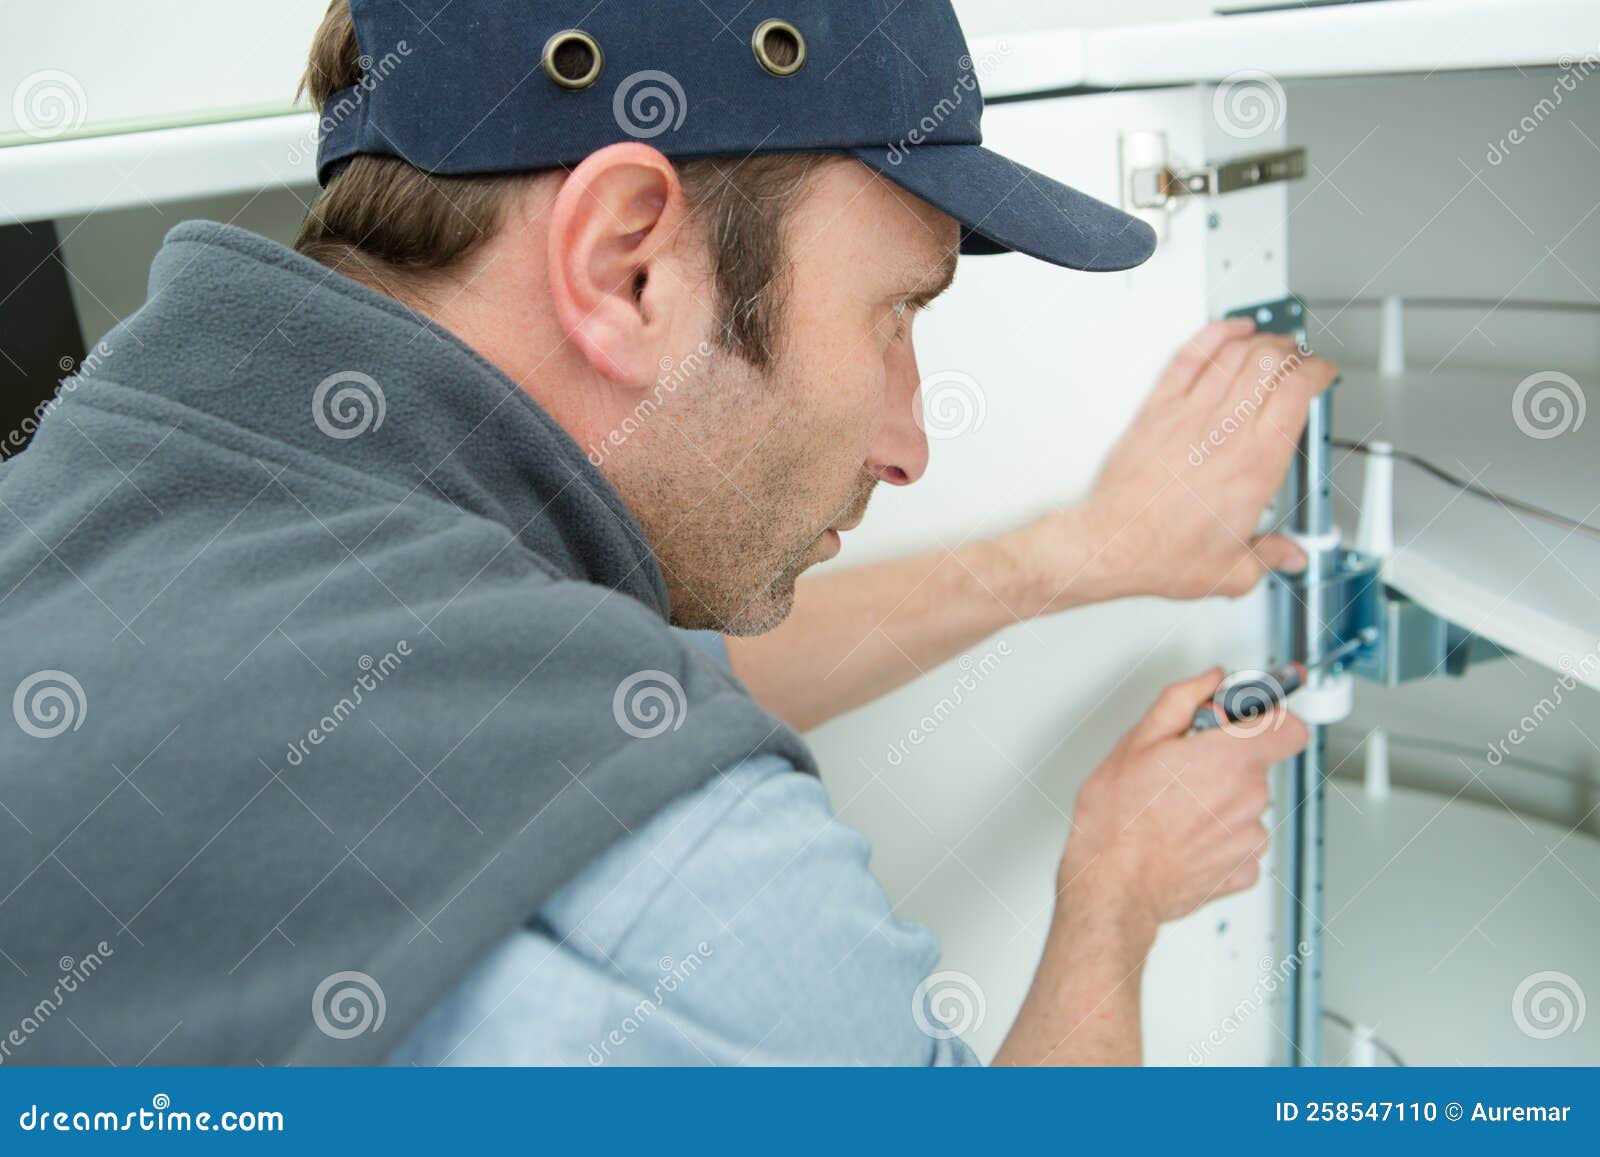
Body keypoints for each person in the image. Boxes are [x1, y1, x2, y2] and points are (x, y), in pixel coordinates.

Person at [0, 0, 1332, 1066]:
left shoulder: (111, 487)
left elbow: (539, 696)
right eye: (894, 316)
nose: (909, 441)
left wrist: (1074, 557)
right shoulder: (688, 912)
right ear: (627, 265)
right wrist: (1116, 899)